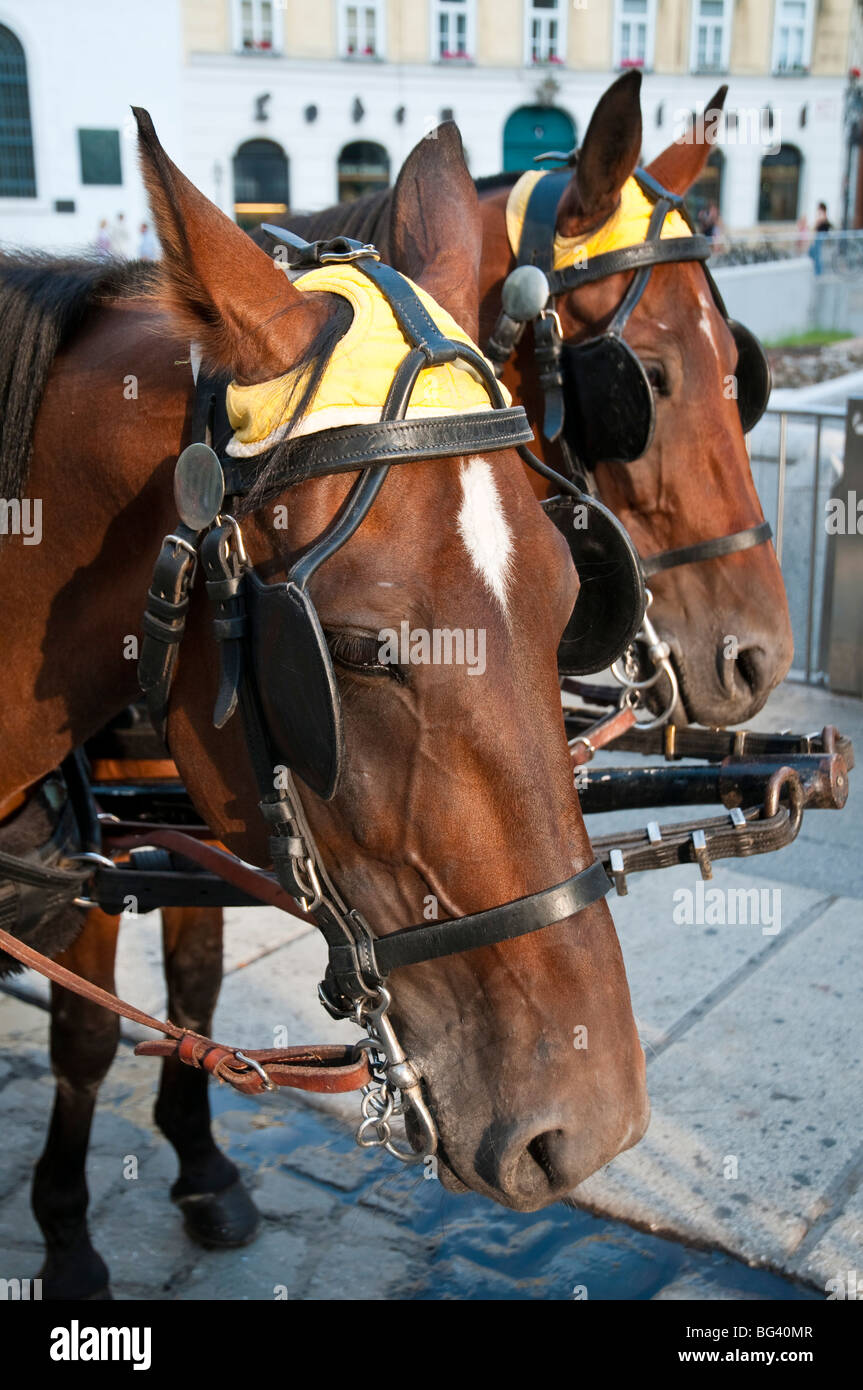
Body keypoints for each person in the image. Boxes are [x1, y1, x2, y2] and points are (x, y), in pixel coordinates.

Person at [810, 201, 833, 275]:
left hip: (820, 236)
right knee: (814, 252)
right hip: (820, 236)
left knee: (817, 253)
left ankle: (818, 271)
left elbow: (817, 224)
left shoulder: (822, 215)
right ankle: (817, 269)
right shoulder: (823, 215)